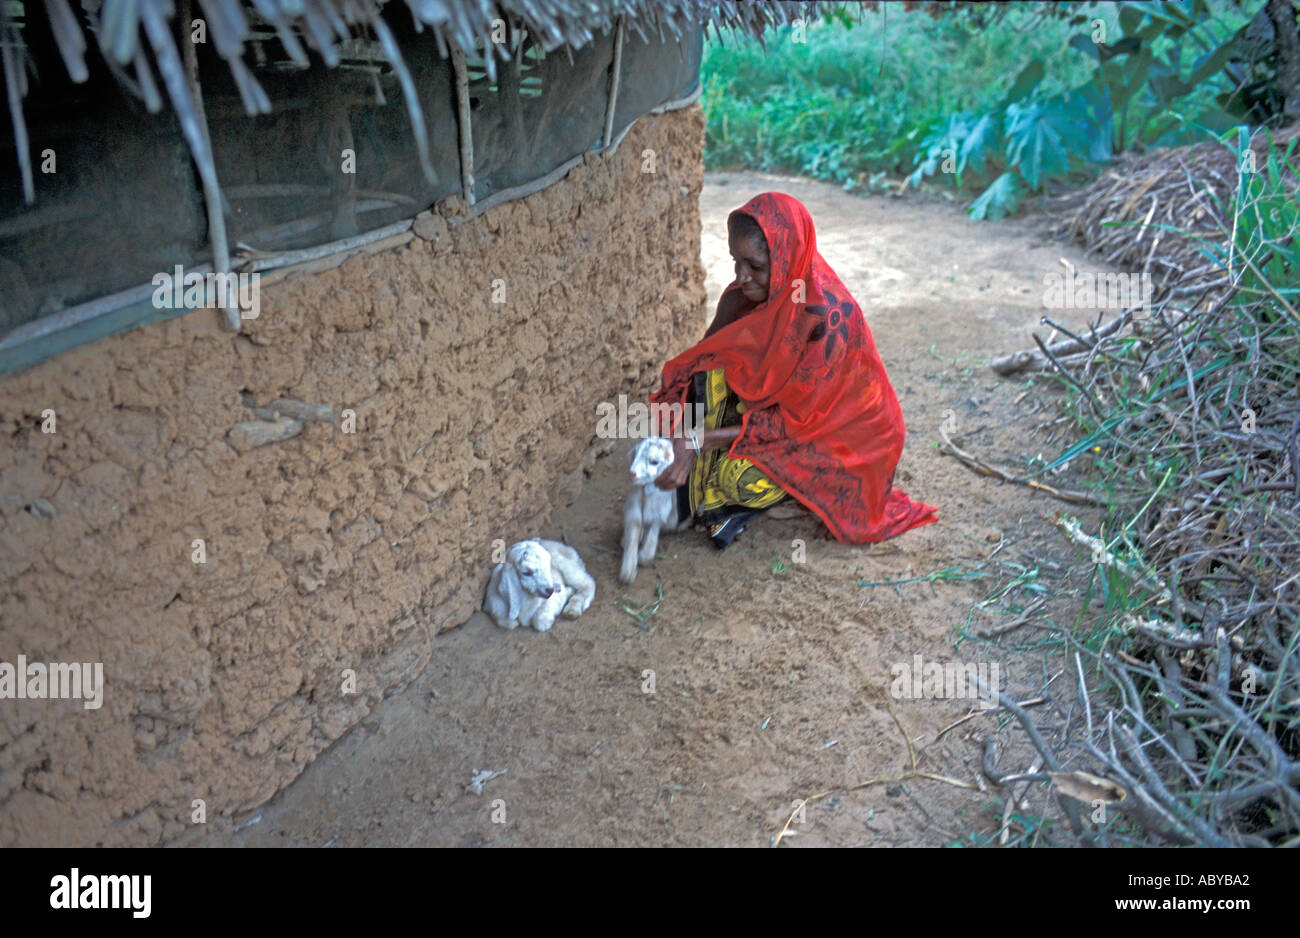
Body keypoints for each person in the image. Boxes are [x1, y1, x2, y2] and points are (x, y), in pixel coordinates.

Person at [650, 191, 937, 548]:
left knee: (736, 480)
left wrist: (696, 439)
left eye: (755, 266)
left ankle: (777, 490)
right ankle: (704, 477)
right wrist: (675, 429)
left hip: (838, 441)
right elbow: (701, 364)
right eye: (735, 262)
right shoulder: (742, 299)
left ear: (788, 259)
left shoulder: (827, 321)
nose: (741, 276)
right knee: (708, 377)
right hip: (772, 416)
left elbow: (795, 429)